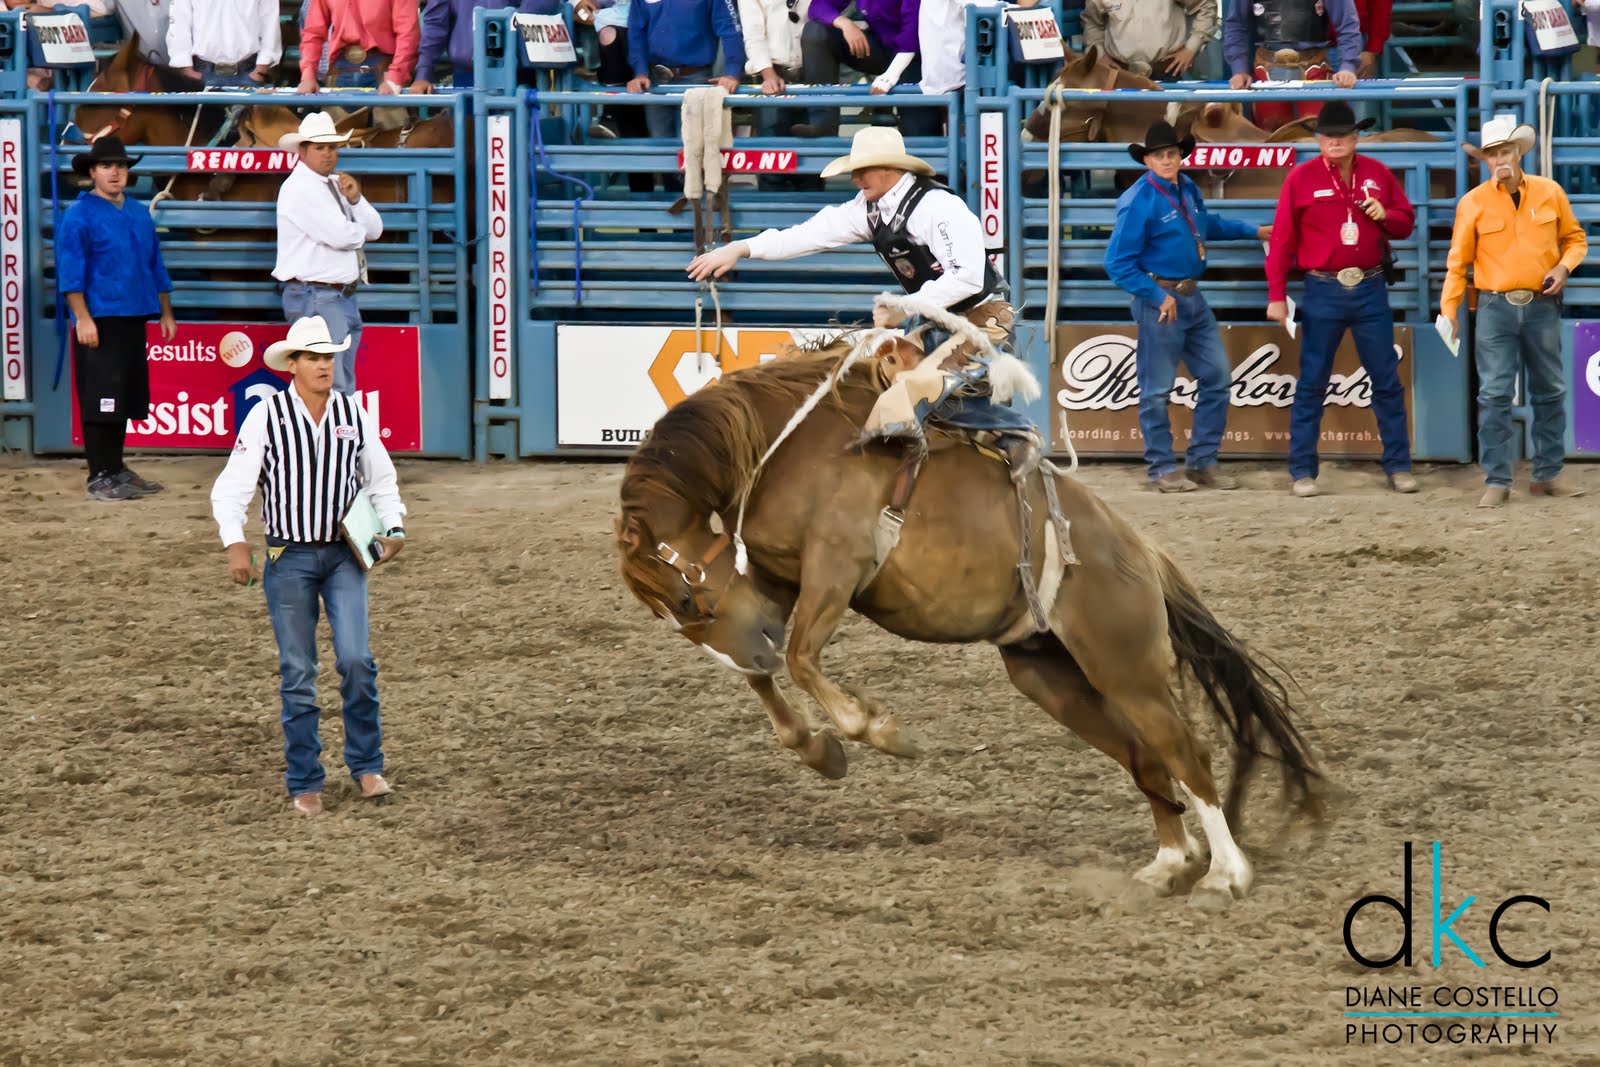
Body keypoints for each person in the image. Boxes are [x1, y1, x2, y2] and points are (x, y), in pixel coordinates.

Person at [686, 127, 1039, 474]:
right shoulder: (867, 210)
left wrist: (905, 307)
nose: (856, 178)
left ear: (890, 168)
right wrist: (742, 248)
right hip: (933, 318)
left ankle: (1017, 434)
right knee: (885, 388)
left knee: (923, 391)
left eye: (862, 169)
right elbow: (806, 235)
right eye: (854, 171)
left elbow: (967, 277)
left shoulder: (939, 207)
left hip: (982, 316)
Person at [210, 315, 409, 818]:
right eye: (314, 358)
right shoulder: (265, 416)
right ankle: (306, 779)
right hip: (288, 554)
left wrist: (396, 526)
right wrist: (235, 542)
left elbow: (380, 477)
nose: (324, 365)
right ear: (293, 365)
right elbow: (233, 485)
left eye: (329, 357)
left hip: (344, 553)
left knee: (356, 660)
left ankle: (366, 766)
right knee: (298, 670)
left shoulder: (353, 413)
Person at [1104, 121, 1272, 492]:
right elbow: (1117, 262)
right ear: (1147, 160)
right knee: (1157, 388)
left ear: (1180, 155)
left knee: (1216, 377)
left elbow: (1205, 224)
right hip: (1161, 300)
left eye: (1172, 153)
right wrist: (1156, 296)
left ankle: (1201, 463)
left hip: (1189, 298)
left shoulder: (1187, 188)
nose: (1167, 159)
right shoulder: (1137, 202)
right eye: (1160, 155)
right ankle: (1163, 468)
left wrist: (1252, 230)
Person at [1264, 101, 1415, 497]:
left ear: (1355, 137)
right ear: (1318, 140)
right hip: (1322, 288)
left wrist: (1385, 214)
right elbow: (1281, 240)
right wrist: (1277, 295)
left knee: (1385, 380)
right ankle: (1302, 471)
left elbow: (1405, 223)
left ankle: (1399, 466)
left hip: (1370, 286)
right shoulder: (1300, 178)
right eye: (1329, 135)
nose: (1335, 141)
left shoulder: (1378, 175)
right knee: (1312, 381)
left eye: (1343, 135)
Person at [1441, 116, 1588, 508]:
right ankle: (1497, 479)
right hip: (1494, 305)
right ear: (1486, 160)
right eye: (1492, 154)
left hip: (1541, 304)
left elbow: (1574, 239)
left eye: (1505, 151)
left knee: (1550, 390)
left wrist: (1563, 267)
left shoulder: (1549, 192)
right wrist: (1449, 309)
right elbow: (1457, 262)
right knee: (1494, 394)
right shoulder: (1472, 203)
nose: (1499, 159)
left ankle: (1547, 474)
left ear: (1518, 153)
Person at [57, 137, 178, 503]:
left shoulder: (139, 212)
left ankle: (116, 467)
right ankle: (100, 473)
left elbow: (154, 264)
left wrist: (166, 311)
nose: (116, 172)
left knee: (121, 394)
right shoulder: (78, 215)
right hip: (101, 317)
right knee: (101, 396)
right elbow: (70, 271)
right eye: (108, 166)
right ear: (93, 172)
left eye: (121, 166)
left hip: (133, 314)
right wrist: (82, 317)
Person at [273, 112, 384, 395]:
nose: (327, 154)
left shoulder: (332, 184)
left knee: (337, 382)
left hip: (332, 296)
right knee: (330, 383)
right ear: (303, 151)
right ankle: (323, 438)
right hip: (319, 296)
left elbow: (374, 230)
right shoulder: (300, 188)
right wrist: (357, 229)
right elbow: (342, 237)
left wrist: (356, 200)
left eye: (331, 147)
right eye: (320, 148)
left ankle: (329, 437)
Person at [794, 0, 940, 138]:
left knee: (920, 135)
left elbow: (912, 30)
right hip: (882, 45)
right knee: (814, 31)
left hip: (917, 56)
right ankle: (823, 123)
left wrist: (890, 76)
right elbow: (819, 6)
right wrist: (844, 23)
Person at [1224, 0, 1363, 130]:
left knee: (1319, 131)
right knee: (1271, 139)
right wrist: (1239, 69)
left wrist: (1348, 66)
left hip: (1314, 68)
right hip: (1267, 69)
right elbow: (1235, 25)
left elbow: (1348, 24)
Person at [626, 0, 745, 139]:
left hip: (696, 78)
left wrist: (732, 72)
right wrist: (640, 72)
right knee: (659, 144)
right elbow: (636, 33)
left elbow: (730, 30)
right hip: (654, 80)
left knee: (692, 146)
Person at [413, 0, 548, 92]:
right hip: (466, 77)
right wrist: (424, 72)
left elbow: (540, 6)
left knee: (518, 132)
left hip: (517, 75)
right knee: (466, 132)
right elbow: (436, 23)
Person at [298, 0, 421, 95]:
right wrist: (308, 75)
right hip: (341, 69)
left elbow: (408, 33)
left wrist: (395, 77)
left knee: (390, 123)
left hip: (385, 68)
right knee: (336, 125)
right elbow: (313, 32)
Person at [1082, 0, 1217, 80]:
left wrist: (1190, 49)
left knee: (1165, 127)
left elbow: (1206, 5)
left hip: (1165, 73)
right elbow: (1092, 22)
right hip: (1118, 75)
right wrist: (1099, 55)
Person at [167, 0, 282, 89]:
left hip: (249, 71)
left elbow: (270, 25)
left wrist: (260, 71)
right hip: (202, 74)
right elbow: (180, 23)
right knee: (204, 120)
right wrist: (187, 70)